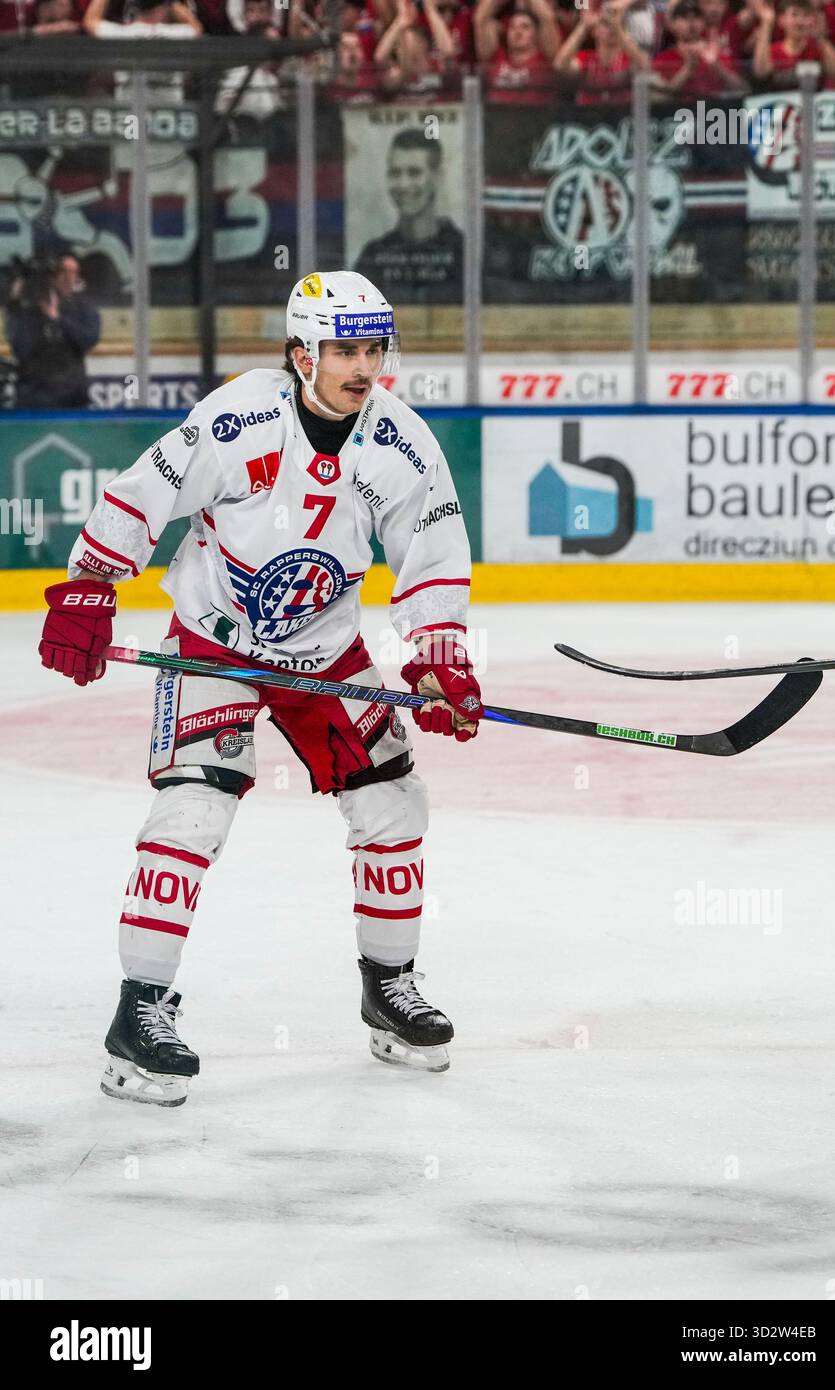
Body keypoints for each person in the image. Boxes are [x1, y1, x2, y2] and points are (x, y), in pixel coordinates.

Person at [38, 270, 481, 1104]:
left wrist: (440, 652)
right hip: (215, 644)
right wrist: (93, 582)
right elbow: (144, 494)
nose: (362, 367)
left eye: (373, 348)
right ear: (299, 352)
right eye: (343, 349)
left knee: (394, 801)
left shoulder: (400, 442)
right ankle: (141, 1011)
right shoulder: (241, 418)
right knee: (194, 808)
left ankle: (388, 988)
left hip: (325, 652)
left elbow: (432, 557)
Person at [354, 127, 464, 303]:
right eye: (395, 173)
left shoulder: (464, 253)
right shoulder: (374, 255)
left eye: (414, 173)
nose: (403, 184)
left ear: (438, 177)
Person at [5, 252, 100, 409]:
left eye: (73, 272)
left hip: (72, 396)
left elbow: (89, 339)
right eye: (63, 271)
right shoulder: (28, 308)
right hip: (33, 395)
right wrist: (16, 302)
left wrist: (57, 318)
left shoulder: (82, 306)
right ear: (53, 276)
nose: (68, 277)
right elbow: (19, 347)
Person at [652, 0, 747, 95]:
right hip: (679, 109)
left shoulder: (715, 56)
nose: (691, 21)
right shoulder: (664, 59)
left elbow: (743, 89)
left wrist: (718, 68)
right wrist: (688, 70)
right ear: (672, 25)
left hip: (715, 108)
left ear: (703, 23)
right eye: (684, 17)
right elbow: (661, 97)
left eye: (697, 16)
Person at [752, 0, 835, 85]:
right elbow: (761, 73)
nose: (800, 21)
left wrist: (820, 38)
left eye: (805, 15)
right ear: (781, 20)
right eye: (794, 14)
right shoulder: (773, 50)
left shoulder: (818, 49)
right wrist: (766, 23)